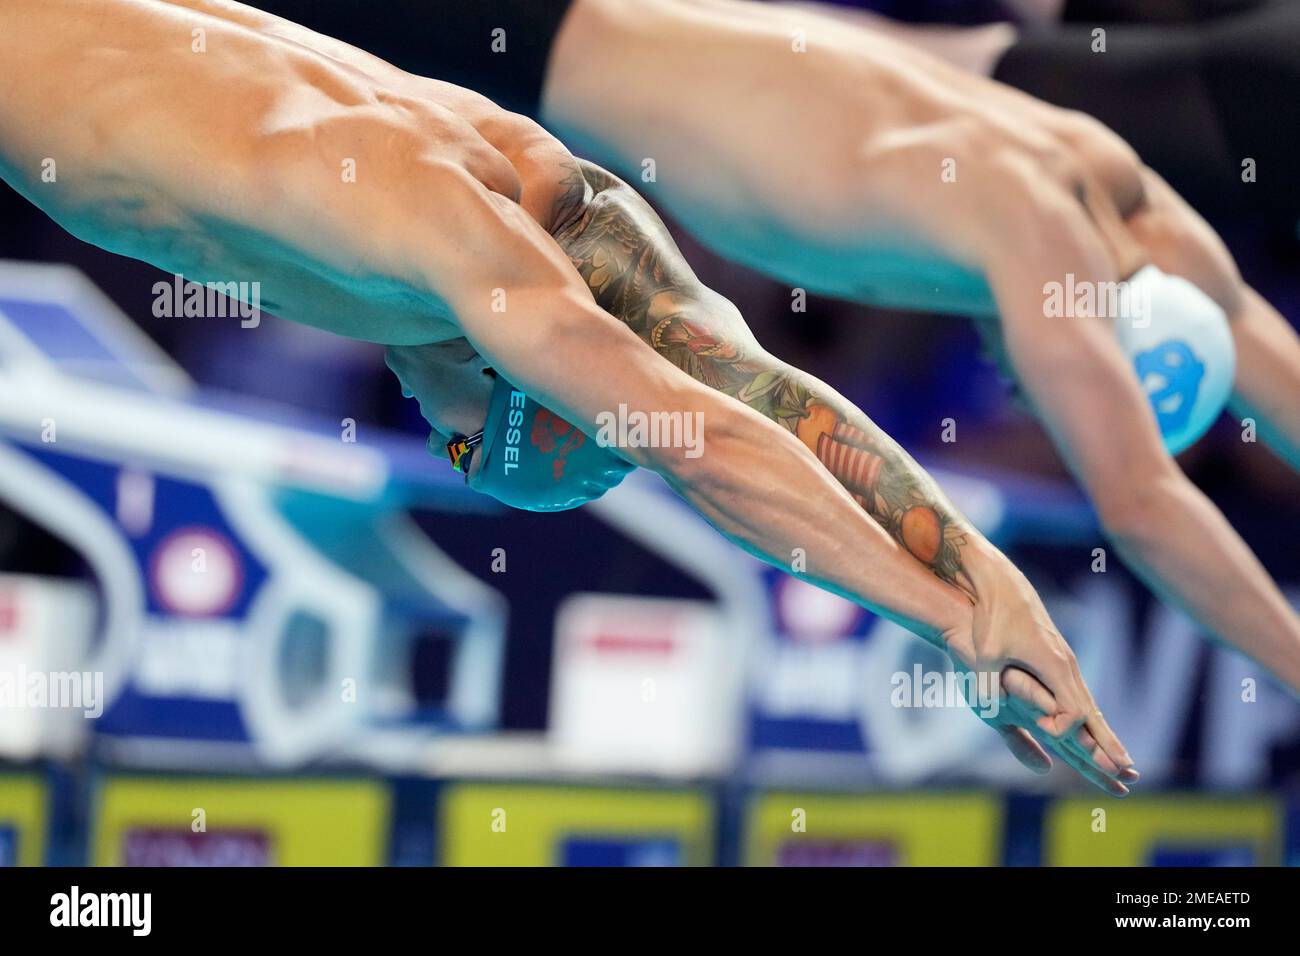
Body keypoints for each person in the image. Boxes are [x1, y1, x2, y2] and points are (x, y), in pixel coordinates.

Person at [0, 0, 1137, 792]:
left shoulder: (547, 193)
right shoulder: (470, 256)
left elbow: (758, 389)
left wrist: (986, 573)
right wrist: (947, 622)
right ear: (519, 381)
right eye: (460, 452)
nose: (422, 419)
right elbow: (708, 445)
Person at [245, 0, 1300, 696]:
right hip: (535, 41)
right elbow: (1141, 502)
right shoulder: (1040, 235)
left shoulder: (1131, 201)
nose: (1018, 384)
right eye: (1048, 376)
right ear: (1086, 331)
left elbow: (1266, 373)